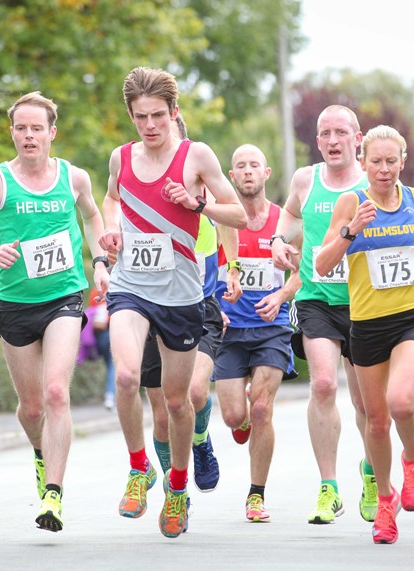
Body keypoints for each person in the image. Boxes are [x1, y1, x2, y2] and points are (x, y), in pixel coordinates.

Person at [98, 67, 247, 538]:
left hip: (182, 295)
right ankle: (140, 467)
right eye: (140, 116)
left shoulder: (195, 155)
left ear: (174, 113)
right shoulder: (121, 158)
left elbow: (238, 214)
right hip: (131, 287)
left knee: (179, 403)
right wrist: (112, 230)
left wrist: (197, 204)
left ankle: (178, 489)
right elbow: (109, 198)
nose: (149, 125)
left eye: (158, 115)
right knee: (125, 375)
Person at [0, 91, 110, 533]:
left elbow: (94, 217)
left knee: (56, 393)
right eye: (21, 128)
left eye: (36, 128)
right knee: (30, 408)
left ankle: (54, 496)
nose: (29, 135)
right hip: (15, 304)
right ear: (12, 133)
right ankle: (42, 455)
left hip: (63, 297)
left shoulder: (74, 177)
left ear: (51, 133)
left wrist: (99, 262)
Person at [316, 124, 414, 544]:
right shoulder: (351, 202)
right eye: (376, 162)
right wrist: (351, 229)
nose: (384, 169)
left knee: (401, 403)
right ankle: (386, 502)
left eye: (392, 161)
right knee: (376, 423)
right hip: (366, 325)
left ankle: (412, 460)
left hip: (410, 320)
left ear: (403, 162)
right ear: (363, 162)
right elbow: (321, 263)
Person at [270, 105, 377, 525]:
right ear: (317, 141)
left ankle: (371, 472)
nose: (332, 141)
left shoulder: (375, 183)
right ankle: (328, 487)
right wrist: (279, 240)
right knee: (324, 386)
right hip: (316, 299)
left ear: (357, 138)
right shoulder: (306, 179)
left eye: (340, 133)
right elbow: (292, 214)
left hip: (366, 302)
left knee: (368, 403)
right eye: (324, 134)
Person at [141, 114, 240, 496]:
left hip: (200, 301)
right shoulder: (139, 179)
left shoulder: (201, 183)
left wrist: (233, 267)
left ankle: (200, 442)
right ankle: (173, 490)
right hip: (153, 305)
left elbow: (230, 221)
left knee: (194, 392)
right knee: (163, 413)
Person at [214, 144, 299, 522]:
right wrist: (215, 308)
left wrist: (281, 296)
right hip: (229, 329)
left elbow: (305, 270)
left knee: (262, 408)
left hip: (271, 328)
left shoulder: (285, 222)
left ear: (266, 173)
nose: (247, 172)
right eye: (240, 167)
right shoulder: (219, 220)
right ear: (232, 177)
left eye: (254, 165)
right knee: (235, 416)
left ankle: (255, 496)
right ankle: (243, 418)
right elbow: (201, 270)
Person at [87, 288, 115, 411]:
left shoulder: (96, 291)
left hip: (100, 334)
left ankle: (110, 394)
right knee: (113, 365)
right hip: (113, 330)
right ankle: (110, 396)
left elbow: (92, 311)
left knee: (109, 364)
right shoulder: (118, 285)